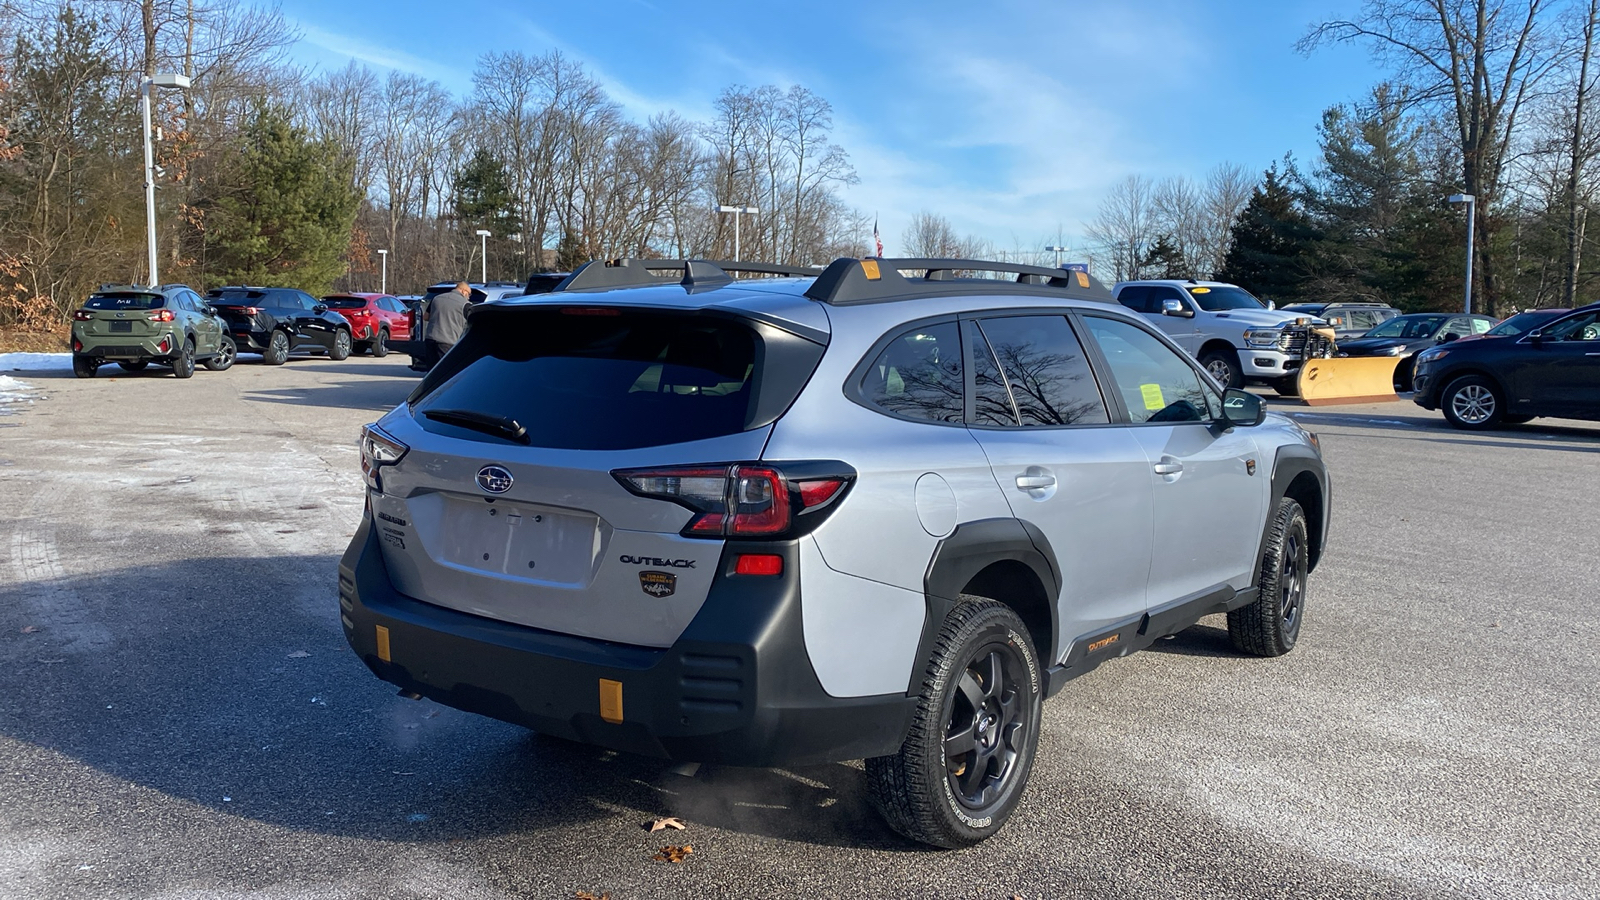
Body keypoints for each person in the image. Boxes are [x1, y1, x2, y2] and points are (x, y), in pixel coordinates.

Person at [424, 282, 471, 368]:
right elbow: (471, 323)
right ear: (464, 291)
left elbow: (426, 317)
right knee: (445, 371)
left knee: (431, 371)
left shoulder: (437, 298)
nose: (469, 297)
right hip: (448, 341)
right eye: (469, 294)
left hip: (430, 339)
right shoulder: (465, 304)